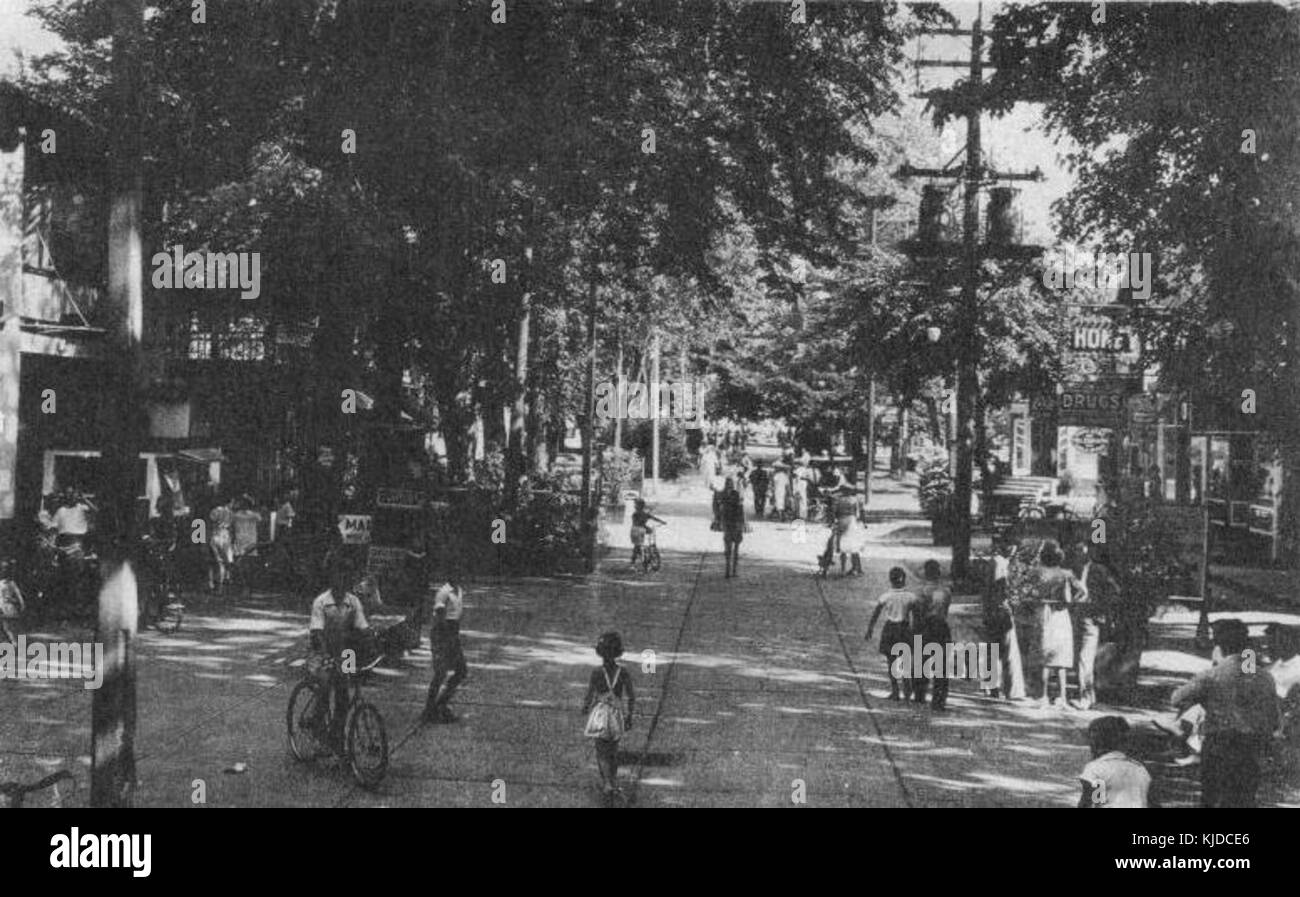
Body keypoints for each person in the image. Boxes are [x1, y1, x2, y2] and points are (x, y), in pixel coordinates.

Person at [1171, 618, 1279, 807]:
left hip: (1219, 745)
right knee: (1243, 800)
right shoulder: (1264, 677)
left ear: (1218, 646)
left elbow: (1177, 699)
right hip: (1250, 748)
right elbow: (1274, 719)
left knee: (1213, 799)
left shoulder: (1212, 675)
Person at [308, 560, 372, 746]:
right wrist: (326, 655)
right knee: (326, 686)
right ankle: (317, 727)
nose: (343, 581)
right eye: (339, 576)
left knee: (345, 692)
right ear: (332, 578)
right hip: (322, 652)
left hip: (346, 653)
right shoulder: (321, 602)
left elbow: (362, 627)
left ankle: (336, 733)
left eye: (347, 577)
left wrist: (372, 643)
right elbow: (316, 632)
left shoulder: (353, 602)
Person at [580, 631, 636, 803]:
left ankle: (606, 783)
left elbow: (590, 695)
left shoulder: (597, 672)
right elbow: (631, 696)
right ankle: (612, 780)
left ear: (601, 653)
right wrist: (629, 716)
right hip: (616, 714)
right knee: (613, 750)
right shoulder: (623, 672)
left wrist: (585, 707)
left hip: (600, 714)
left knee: (600, 750)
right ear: (618, 653)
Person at [1071, 543, 1118, 710]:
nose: (1078, 555)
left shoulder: (1099, 570)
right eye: (1076, 551)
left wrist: (1101, 608)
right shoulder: (1075, 570)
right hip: (1078, 616)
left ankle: (1085, 698)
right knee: (1081, 659)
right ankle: (1089, 696)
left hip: (1091, 617)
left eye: (1081, 551)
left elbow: (1114, 591)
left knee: (1085, 659)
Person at [866, 567, 921, 701]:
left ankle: (895, 691)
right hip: (905, 629)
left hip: (890, 629)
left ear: (890, 580)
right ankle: (907, 688)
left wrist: (870, 629)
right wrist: (917, 631)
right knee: (906, 660)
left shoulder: (885, 596)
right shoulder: (911, 597)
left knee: (891, 661)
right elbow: (917, 616)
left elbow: (876, 614)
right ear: (904, 580)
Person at [1035, 541, 1079, 707]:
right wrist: (1074, 602)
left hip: (1045, 612)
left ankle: (1043, 696)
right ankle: (1062, 697)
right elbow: (1083, 591)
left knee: (1045, 656)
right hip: (1061, 614)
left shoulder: (1038, 573)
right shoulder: (1066, 574)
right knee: (1061, 657)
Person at [422, 566, 468, 724]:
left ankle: (440, 704)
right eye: (456, 572)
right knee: (440, 673)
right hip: (442, 634)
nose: (460, 576)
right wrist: (446, 640)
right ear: (450, 574)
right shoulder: (444, 592)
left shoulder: (459, 590)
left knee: (461, 671)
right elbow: (440, 617)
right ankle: (429, 710)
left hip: (453, 633)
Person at [983, 540, 1026, 700]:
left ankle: (992, 686)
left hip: (995, 610)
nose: (1014, 549)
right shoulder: (999, 563)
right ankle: (1007, 689)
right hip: (1000, 611)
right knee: (1006, 650)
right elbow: (998, 588)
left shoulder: (999, 562)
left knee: (995, 649)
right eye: (1012, 545)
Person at [1077, 715, 1153, 808]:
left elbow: (1092, 803)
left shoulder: (1095, 769)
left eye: (1092, 741)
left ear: (1097, 743)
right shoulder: (1140, 769)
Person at [914, 567, 952, 710]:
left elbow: (918, 612)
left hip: (926, 626)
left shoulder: (921, 592)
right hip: (941, 626)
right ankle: (939, 699)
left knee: (921, 660)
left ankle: (920, 694)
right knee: (941, 664)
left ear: (925, 574)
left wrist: (915, 629)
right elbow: (946, 610)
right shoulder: (946, 591)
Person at [207, 494, 234, 594]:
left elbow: (210, 522)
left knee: (215, 562)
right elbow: (232, 526)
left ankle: (212, 584)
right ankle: (222, 585)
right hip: (225, 536)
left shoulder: (215, 511)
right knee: (226, 562)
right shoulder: (230, 513)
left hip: (215, 535)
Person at [720, 476, 745, 578]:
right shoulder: (728, 494)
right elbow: (740, 508)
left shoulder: (727, 494)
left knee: (732, 549)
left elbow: (739, 508)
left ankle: (730, 570)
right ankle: (730, 570)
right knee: (731, 549)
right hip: (732, 523)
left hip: (732, 523)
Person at [629, 498, 666, 568]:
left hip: (638, 530)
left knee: (638, 546)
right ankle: (634, 561)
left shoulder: (641, 514)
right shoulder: (637, 514)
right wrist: (661, 522)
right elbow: (638, 523)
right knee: (637, 546)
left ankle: (639, 559)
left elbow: (654, 518)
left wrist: (662, 521)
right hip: (636, 530)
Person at [0, 560, 25, 645]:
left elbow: (18, 596)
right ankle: (13, 643)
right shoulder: (11, 583)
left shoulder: (5, 584)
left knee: (7, 628)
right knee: (9, 628)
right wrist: (22, 604)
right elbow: (19, 596)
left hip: (4, 608)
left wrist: (21, 604)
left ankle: (13, 644)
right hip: (9, 608)